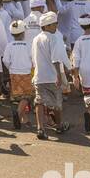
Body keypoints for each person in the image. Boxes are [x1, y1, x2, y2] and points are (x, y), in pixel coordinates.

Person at [30, 10, 70, 138]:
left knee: (39, 102)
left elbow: (33, 58)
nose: (56, 26)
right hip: (52, 77)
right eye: (54, 24)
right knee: (57, 104)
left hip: (39, 76)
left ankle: (40, 128)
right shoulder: (52, 38)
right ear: (46, 26)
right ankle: (59, 126)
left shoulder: (36, 39)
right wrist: (59, 75)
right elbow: (56, 59)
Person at [2, 19, 34, 130]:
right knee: (27, 96)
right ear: (23, 33)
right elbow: (33, 59)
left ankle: (24, 119)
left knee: (18, 97)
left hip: (14, 74)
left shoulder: (9, 45)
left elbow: (5, 60)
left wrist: (11, 68)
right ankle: (19, 113)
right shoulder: (29, 45)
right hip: (26, 73)